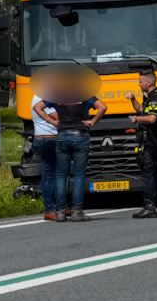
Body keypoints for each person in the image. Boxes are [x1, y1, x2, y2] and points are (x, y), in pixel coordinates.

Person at [33, 67, 106, 221]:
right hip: (80, 135)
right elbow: (103, 107)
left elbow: (37, 107)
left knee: (60, 175)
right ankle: (76, 211)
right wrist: (93, 121)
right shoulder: (85, 95)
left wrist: (52, 121)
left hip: (62, 136)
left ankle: (60, 212)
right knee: (79, 175)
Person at [126, 63, 157, 219]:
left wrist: (136, 119)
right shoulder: (150, 98)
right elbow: (141, 109)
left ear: (149, 82)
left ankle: (150, 205)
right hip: (151, 139)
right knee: (153, 173)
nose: (139, 84)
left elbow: (151, 118)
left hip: (151, 140)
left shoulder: (156, 97)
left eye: (140, 82)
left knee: (147, 173)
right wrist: (132, 100)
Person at [30, 82, 60, 211]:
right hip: (48, 138)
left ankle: (59, 206)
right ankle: (50, 208)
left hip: (45, 138)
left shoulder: (40, 97)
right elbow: (57, 116)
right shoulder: (42, 99)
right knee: (49, 174)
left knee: (54, 173)